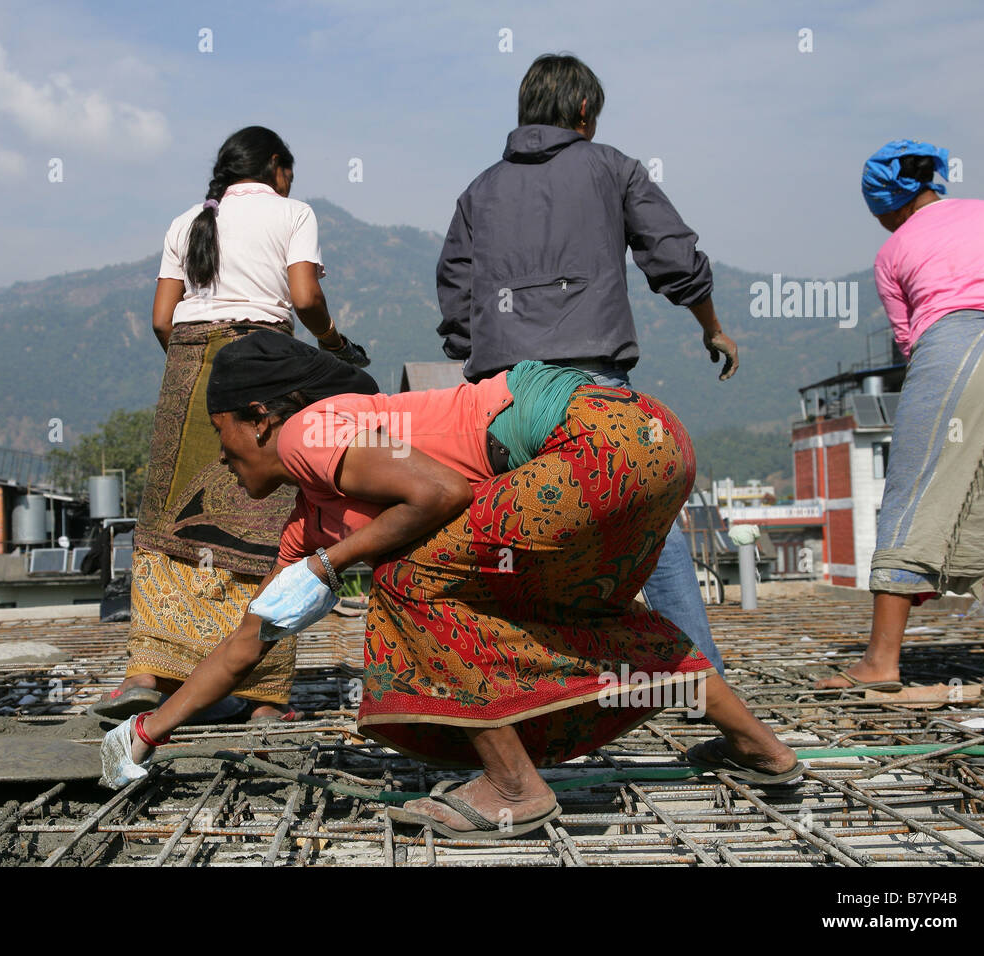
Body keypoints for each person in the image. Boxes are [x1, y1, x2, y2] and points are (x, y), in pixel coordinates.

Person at [101, 332, 802, 840]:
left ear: (261, 415)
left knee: (406, 581)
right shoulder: (305, 521)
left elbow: (436, 493)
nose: (222, 458)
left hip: (595, 440)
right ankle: (763, 753)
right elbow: (249, 641)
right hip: (654, 444)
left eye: (224, 434)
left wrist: (330, 566)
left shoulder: (307, 433)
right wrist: (147, 732)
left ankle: (512, 787)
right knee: (572, 621)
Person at [435, 53, 734, 675]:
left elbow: (457, 300)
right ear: (582, 111)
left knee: (509, 532)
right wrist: (713, 327)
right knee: (644, 519)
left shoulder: (479, 190)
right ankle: (699, 674)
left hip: (502, 395)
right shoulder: (613, 168)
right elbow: (674, 258)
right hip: (592, 384)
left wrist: (482, 351)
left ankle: (518, 675)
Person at [97, 126, 369, 724]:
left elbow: (161, 319)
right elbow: (304, 298)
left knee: (170, 518)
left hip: (188, 365)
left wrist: (202, 370)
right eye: (289, 170)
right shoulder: (293, 213)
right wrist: (332, 343)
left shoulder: (186, 220)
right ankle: (264, 697)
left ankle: (147, 673)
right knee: (269, 522)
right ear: (276, 167)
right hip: (262, 365)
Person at [816, 140, 984, 691]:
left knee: (915, 489)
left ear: (885, 204)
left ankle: (879, 663)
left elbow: (909, 342)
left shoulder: (895, 249)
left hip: (960, 339)